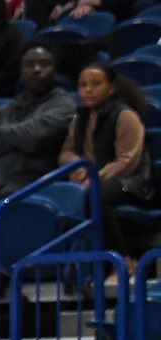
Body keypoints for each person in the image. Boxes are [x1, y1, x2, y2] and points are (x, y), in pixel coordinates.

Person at [60, 61, 152, 267]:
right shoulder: (80, 117)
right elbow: (66, 152)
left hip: (131, 183)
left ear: (111, 88)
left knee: (94, 194)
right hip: (93, 179)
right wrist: (77, 165)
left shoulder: (126, 115)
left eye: (96, 83)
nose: (88, 89)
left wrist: (93, 177)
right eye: (83, 85)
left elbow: (127, 161)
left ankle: (124, 260)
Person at [0, 41, 75, 196]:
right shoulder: (6, 108)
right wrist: (16, 139)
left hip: (35, 185)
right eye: (29, 65)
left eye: (44, 64)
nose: (37, 69)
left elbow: (33, 139)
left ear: (56, 71)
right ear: (21, 73)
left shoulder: (64, 105)